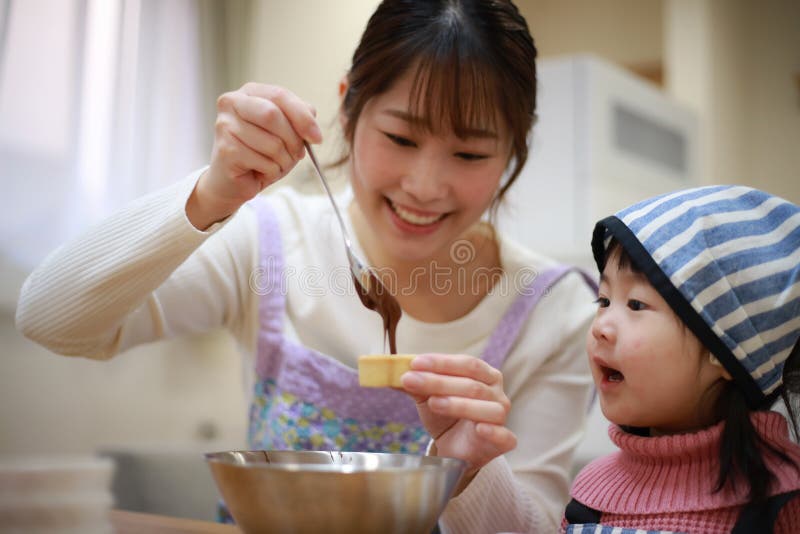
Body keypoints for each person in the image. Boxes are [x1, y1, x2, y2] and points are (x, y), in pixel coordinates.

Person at [15, 1, 596, 531]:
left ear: (515, 149)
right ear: (347, 108)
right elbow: (48, 318)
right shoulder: (270, 241)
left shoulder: (555, 309)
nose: (424, 186)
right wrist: (209, 195)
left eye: (469, 153)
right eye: (399, 137)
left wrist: (473, 472)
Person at [558, 185, 800, 532]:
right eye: (604, 301)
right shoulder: (591, 491)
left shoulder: (781, 503)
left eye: (636, 305)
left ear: (726, 348)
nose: (601, 327)